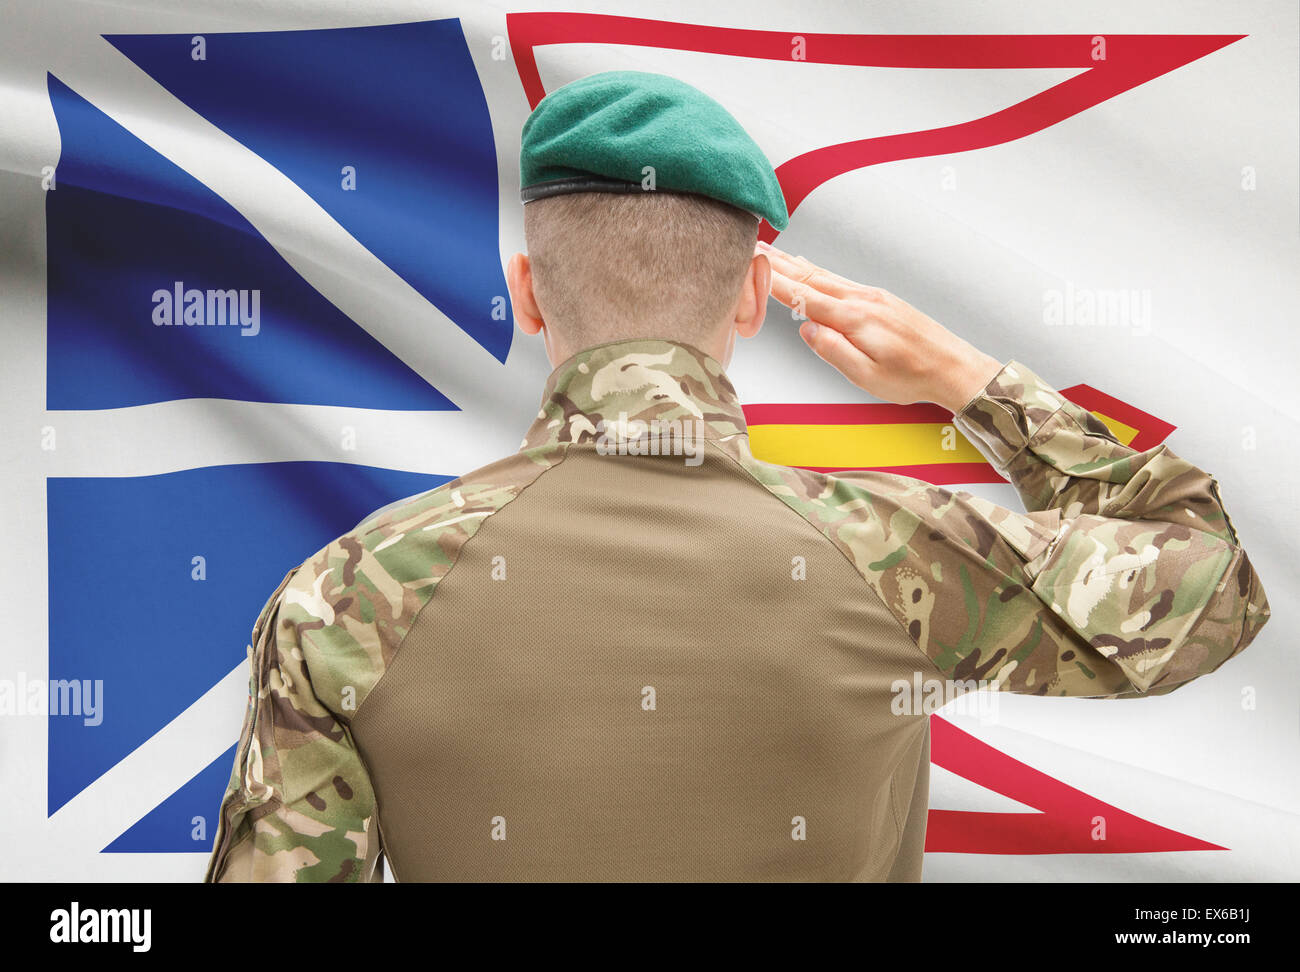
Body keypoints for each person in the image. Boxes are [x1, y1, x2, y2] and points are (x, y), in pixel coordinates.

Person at [203, 70, 1270, 882]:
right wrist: (970, 381)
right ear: (753, 297)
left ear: (526, 292)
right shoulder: (896, 555)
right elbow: (1212, 585)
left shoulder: (344, 596)